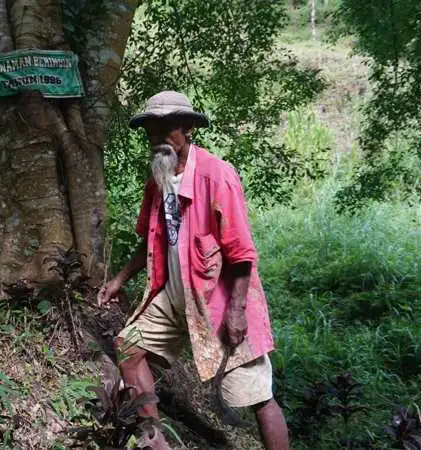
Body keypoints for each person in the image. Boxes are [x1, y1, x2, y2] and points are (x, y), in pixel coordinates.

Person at [97, 91, 289, 450]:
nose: (156, 138)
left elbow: (243, 253)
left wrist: (235, 312)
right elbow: (151, 240)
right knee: (128, 348)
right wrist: (119, 280)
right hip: (171, 295)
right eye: (150, 130)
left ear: (188, 129)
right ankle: (156, 443)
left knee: (256, 396)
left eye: (166, 128)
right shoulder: (157, 179)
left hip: (219, 301)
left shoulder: (217, 176)